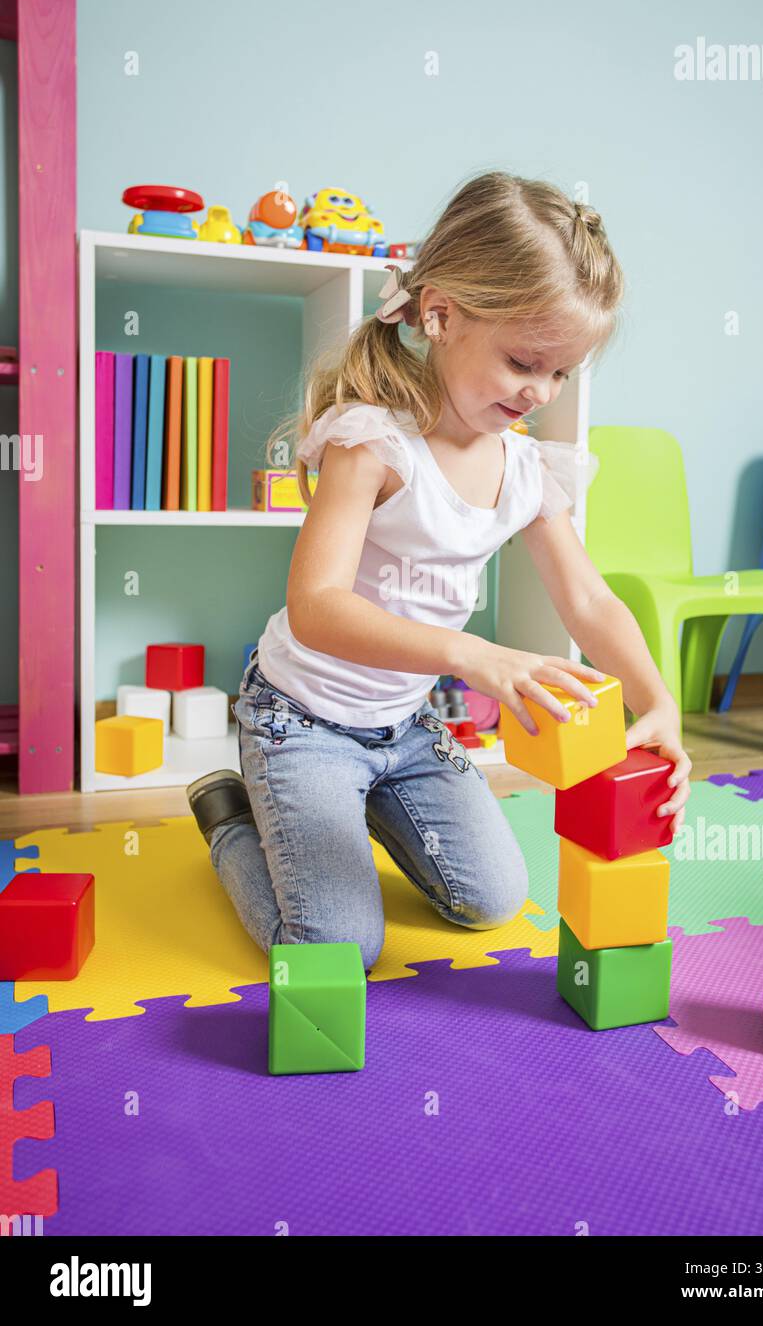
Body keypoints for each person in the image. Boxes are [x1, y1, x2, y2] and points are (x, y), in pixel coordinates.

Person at [187, 171, 691, 972]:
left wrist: (657, 700)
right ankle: (231, 820)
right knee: (336, 949)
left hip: (407, 728)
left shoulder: (527, 469)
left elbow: (589, 599)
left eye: (561, 374)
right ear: (441, 314)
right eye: (525, 361)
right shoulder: (373, 442)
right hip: (303, 720)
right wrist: (477, 658)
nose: (541, 391)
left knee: (490, 900)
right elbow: (315, 606)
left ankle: (350, 819)